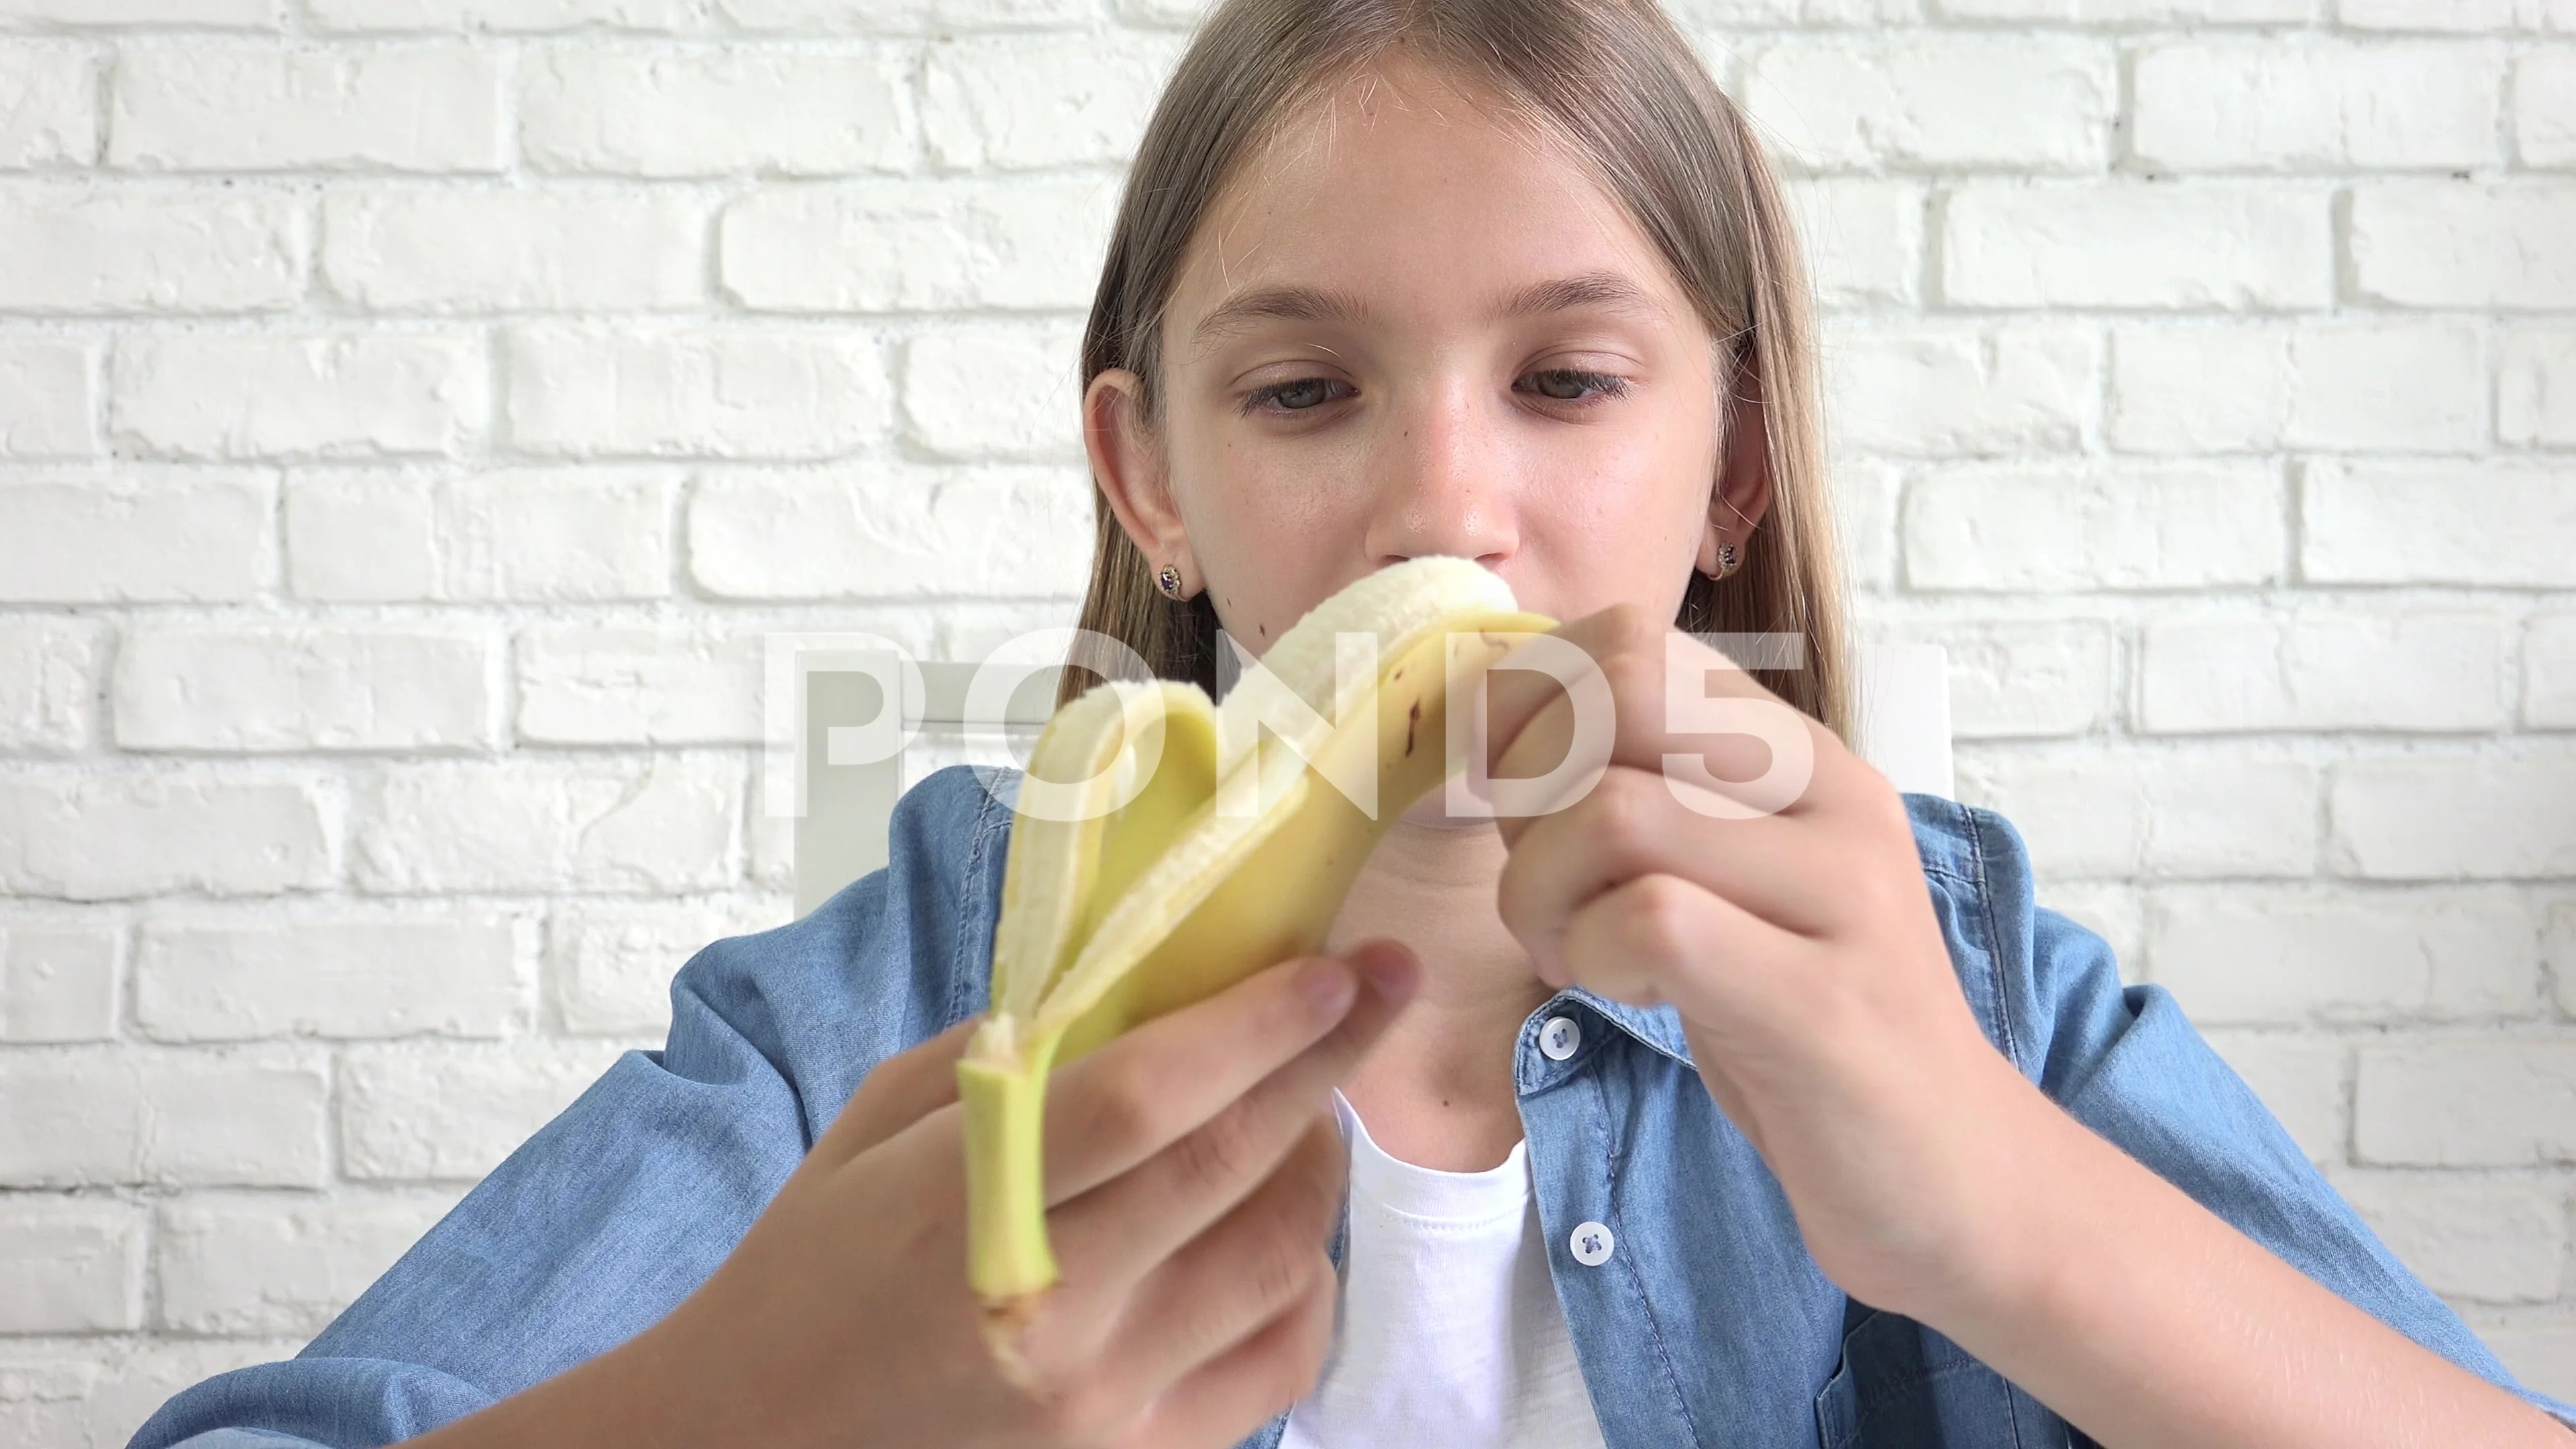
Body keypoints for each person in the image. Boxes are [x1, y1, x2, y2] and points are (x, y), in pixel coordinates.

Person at [129, 1, 2576, 1446]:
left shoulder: (1973, 981)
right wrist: (743, 1409)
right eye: (1306, 389)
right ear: (1153, 482)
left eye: (1567, 380)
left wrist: (1997, 1208)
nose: (1442, 504)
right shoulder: (899, 1009)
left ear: (1728, 469)